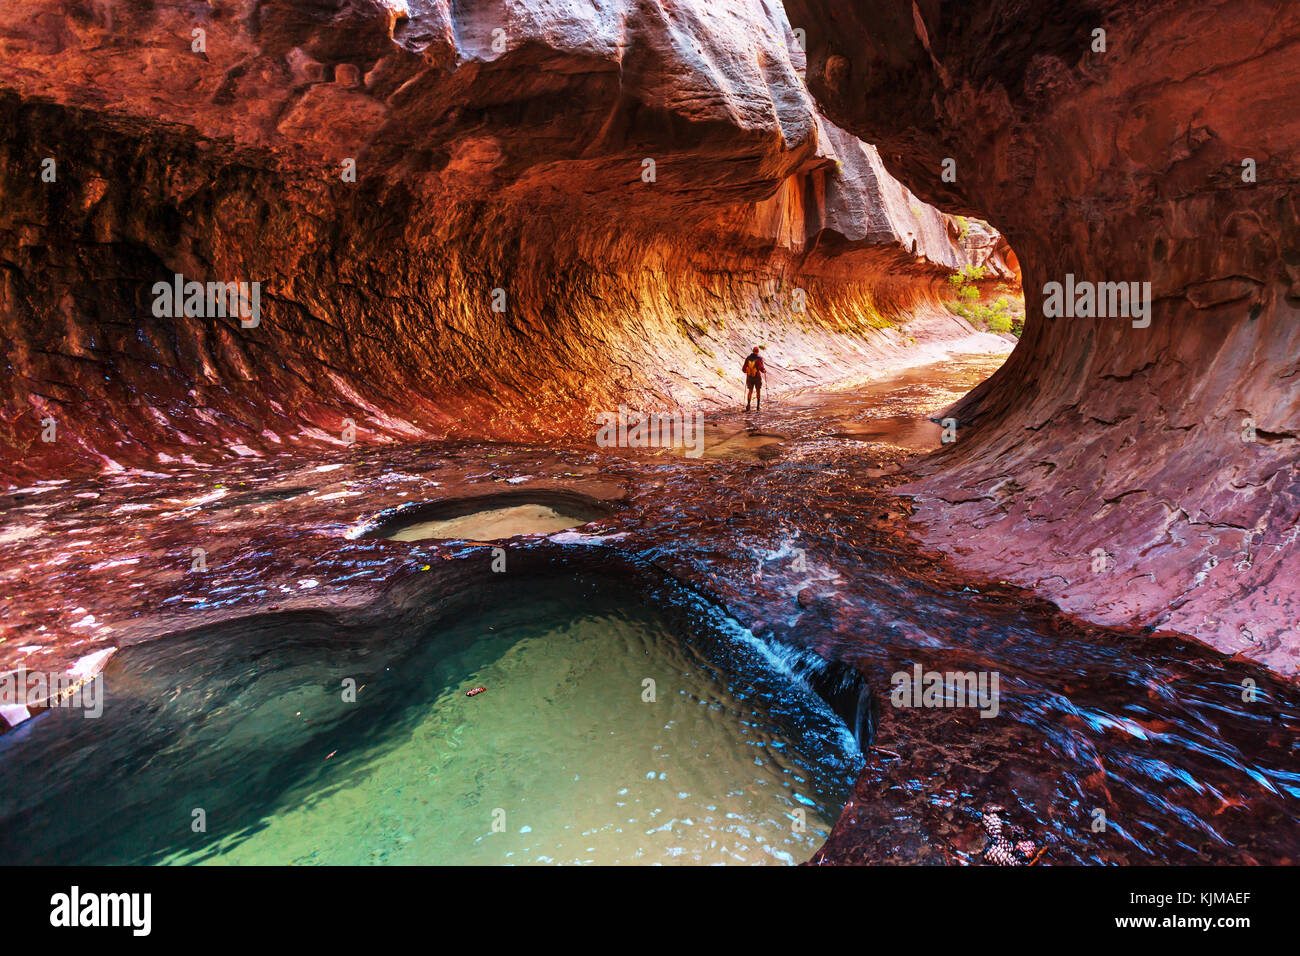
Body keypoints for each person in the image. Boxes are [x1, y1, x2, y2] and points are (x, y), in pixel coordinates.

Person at [742, 346, 766, 411]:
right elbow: (761, 368)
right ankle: (758, 406)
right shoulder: (759, 359)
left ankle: (748, 405)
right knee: (758, 391)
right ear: (758, 351)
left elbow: (743, 369)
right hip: (757, 377)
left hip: (749, 377)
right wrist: (764, 370)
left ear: (753, 351)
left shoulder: (748, 358)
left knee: (750, 391)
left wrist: (746, 370)